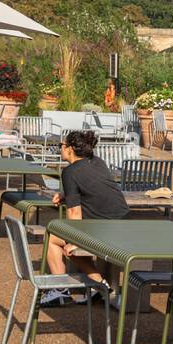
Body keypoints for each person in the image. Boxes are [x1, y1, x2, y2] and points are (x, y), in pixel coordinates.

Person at [41, 130, 129, 304]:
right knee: (72, 241)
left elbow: (74, 213)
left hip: (106, 230)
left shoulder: (69, 172)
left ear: (70, 149)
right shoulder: (97, 162)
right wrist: (66, 194)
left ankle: (61, 291)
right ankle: (100, 287)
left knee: (54, 238)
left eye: (62, 145)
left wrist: (75, 240)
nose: (61, 149)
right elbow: (93, 186)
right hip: (123, 223)